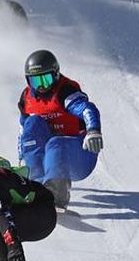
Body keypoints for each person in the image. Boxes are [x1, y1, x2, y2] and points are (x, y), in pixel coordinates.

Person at [18, 50, 103, 208]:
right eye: (36, 81)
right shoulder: (27, 98)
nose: (42, 87)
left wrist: (93, 130)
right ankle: (36, 186)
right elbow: (24, 132)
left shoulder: (65, 92)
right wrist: (22, 158)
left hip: (80, 156)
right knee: (32, 123)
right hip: (49, 158)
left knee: (55, 143)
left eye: (46, 79)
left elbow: (87, 109)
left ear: (56, 75)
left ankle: (57, 193)